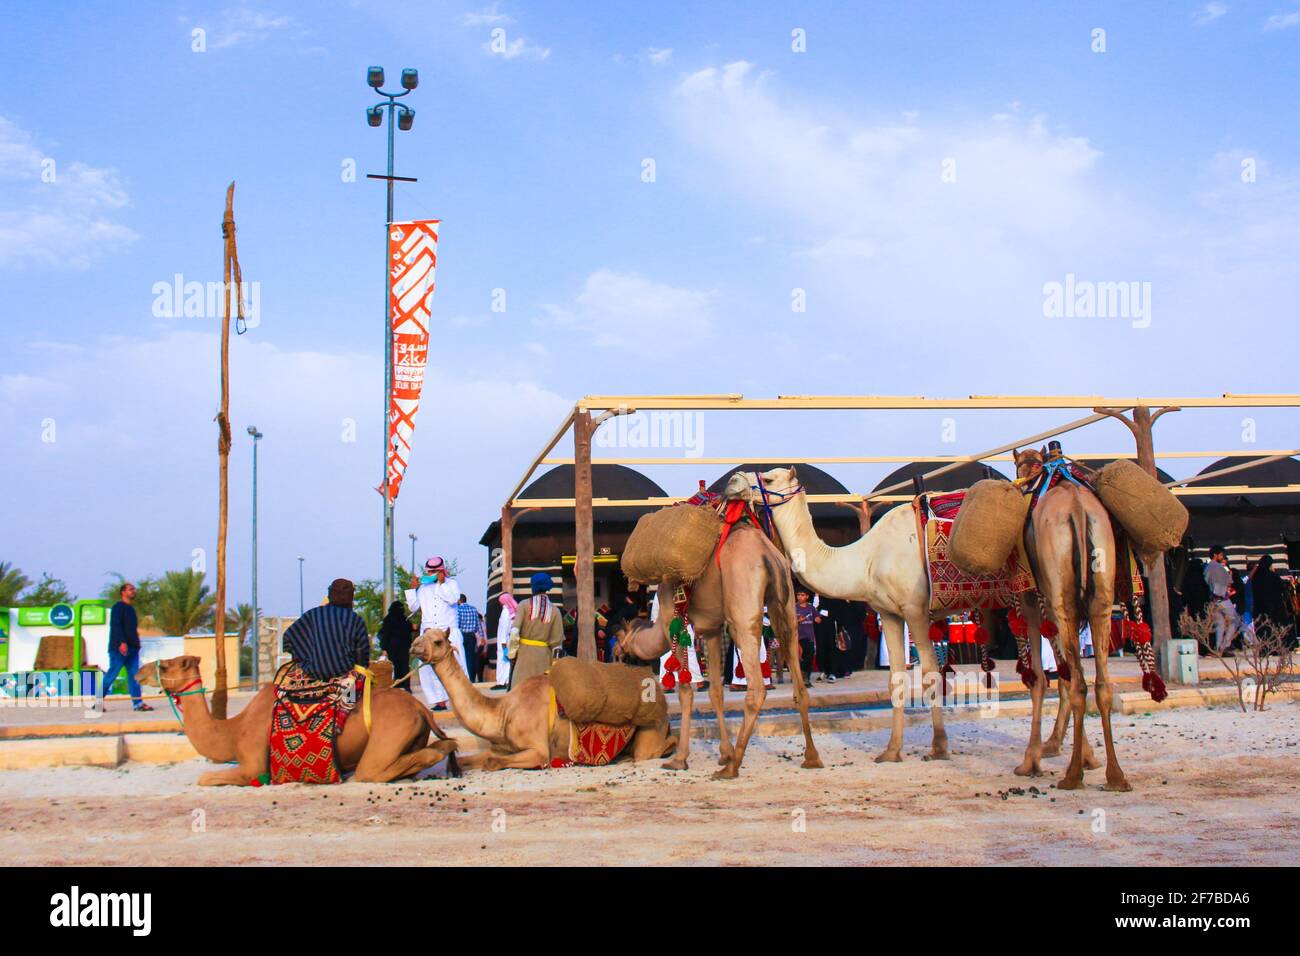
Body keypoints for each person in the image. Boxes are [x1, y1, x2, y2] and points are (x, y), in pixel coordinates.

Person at [282, 578, 371, 680]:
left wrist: (305, 657)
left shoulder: (312, 615)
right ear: (351, 598)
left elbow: (288, 638)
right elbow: (363, 656)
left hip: (312, 673)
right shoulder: (355, 620)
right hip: (344, 674)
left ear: (329, 595)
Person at [414, 557, 466, 710]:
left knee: (457, 666)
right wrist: (413, 589)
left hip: (448, 633)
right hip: (429, 634)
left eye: (434, 571)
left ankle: (462, 700)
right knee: (428, 669)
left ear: (441, 571)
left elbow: (452, 599)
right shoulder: (423, 588)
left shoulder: (451, 584)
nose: (431, 574)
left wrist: (441, 583)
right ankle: (439, 701)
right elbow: (413, 607)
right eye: (429, 571)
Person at [102, 582, 153, 711]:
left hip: (132, 649)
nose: (133, 591)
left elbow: (131, 629)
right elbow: (116, 626)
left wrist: (136, 644)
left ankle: (138, 704)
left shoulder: (130, 609)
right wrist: (122, 643)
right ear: (123, 592)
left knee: (134, 676)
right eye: (130, 589)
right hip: (119, 649)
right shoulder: (118, 607)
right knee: (112, 675)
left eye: (134, 589)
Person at [508, 572, 564, 688]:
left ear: (533, 587)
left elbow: (514, 632)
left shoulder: (523, 605)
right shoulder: (555, 611)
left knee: (520, 692)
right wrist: (555, 665)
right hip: (544, 659)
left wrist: (512, 654)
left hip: (524, 657)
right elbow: (557, 645)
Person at [1204, 545, 1240, 652]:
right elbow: (1229, 581)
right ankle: (1225, 645)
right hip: (1222, 598)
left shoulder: (1207, 567)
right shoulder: (1219, 567)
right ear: (1216, 555)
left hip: (1212, 599)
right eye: (1221, 555)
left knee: (1220, 624)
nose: (1222, 557)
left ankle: (1218, 647)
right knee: (1235, 620)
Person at [377, 599, 414, 691]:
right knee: (403, 666)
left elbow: (384, 634)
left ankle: (396, 685)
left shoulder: (388, 619)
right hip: (402, 647)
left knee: (396, 666)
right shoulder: (404, 619)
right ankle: (406, 686)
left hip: (393, 647)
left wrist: (384, 648)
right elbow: (409, 630)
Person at [456, 594, 483, 684]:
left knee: (462, 657)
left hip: (462, 635)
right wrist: (482, 636)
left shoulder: (458, 609)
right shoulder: (473, 609)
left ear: (459, 601)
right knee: (471, 657)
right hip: (472, 636)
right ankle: (471, 678)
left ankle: (464, 679)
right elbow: (478, 625)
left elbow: (457, 624)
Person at [493, 593, 517, 689]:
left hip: (504, 640)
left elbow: (504, 628)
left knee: (503, 661)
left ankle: (502, 682)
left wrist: (503, 644)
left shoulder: (506, 612)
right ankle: (505, 681)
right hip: (508, 639)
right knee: (506, 661)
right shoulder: (512, 612)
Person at [795, 589, 817, 688]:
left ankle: (806, 678)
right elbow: (789, 622)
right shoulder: (794, 608)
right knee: (801, 658)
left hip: (810, 636)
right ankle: (801, 679)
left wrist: (820, 617)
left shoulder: (811, 607)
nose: (800, 597)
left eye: (802, 595)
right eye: (798, 595)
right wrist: (798, 621)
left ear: (807, 596)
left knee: (809, 658)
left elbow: (817, 619)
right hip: (799, 637)